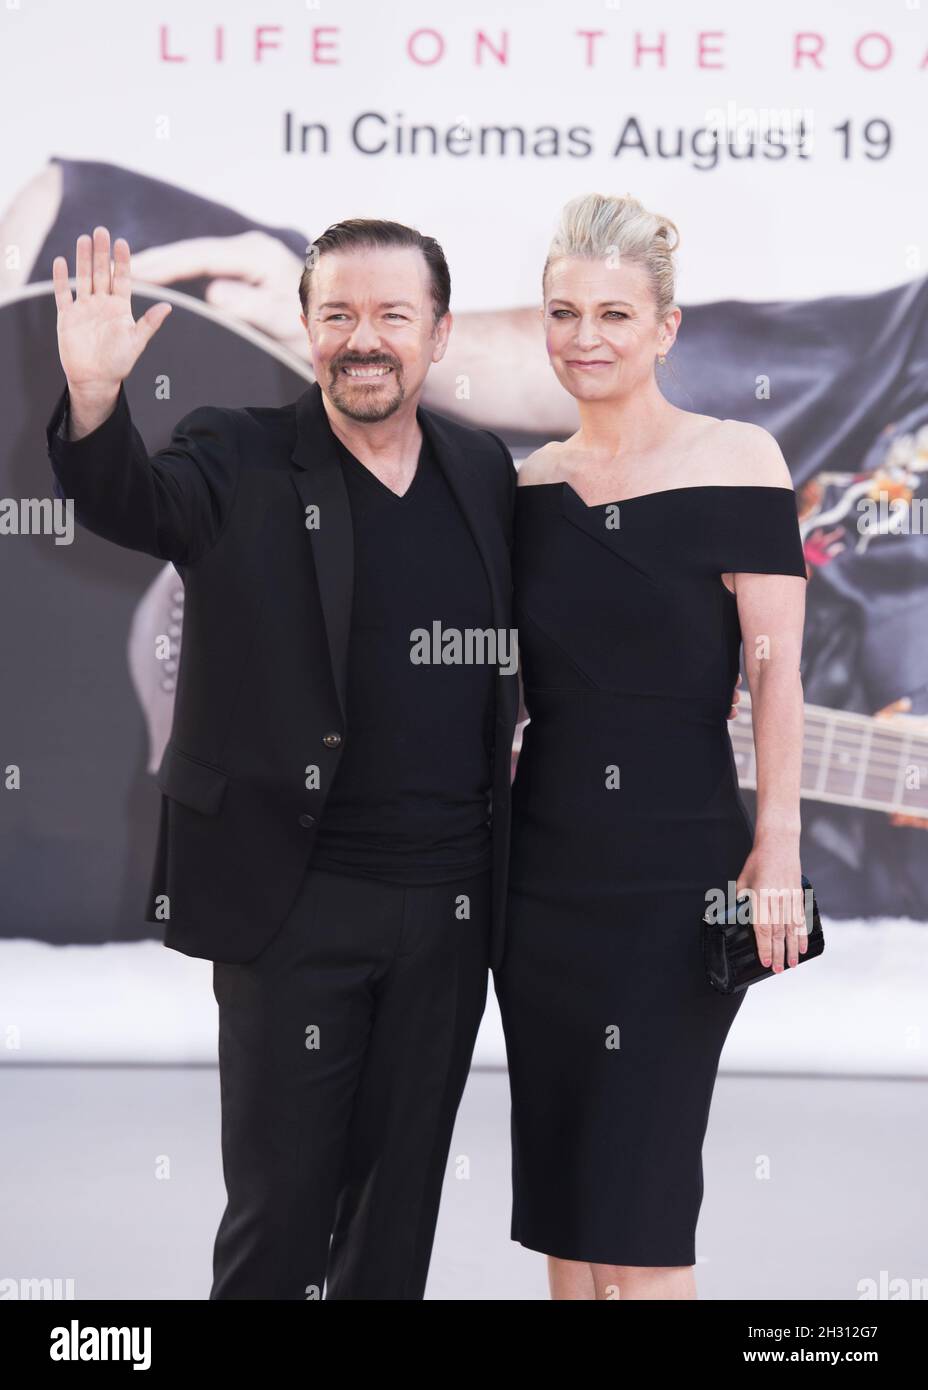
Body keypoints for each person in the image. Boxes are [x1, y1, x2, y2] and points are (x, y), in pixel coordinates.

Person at [45, 220, 519, 1300]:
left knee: (396, 1214)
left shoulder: (482, 468)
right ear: (306, 329)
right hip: (291, 901)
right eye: (338, 314)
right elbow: (130, 501)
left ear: (439, 333)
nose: (365, 339)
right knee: (280, 1211)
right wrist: (95, 400)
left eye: (392, 315)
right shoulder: (237, 451)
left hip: (449, 907)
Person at [494, 193, 809, 1301]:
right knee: (569, 1210)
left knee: (641, 1211)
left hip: (682, 879)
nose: (585, 336)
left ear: (666, 328)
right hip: (541, 880)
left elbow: (776, 674)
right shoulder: (525, 487)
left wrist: (778, 847)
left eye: (614, 314)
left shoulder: (741, 459)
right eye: (564, 312)